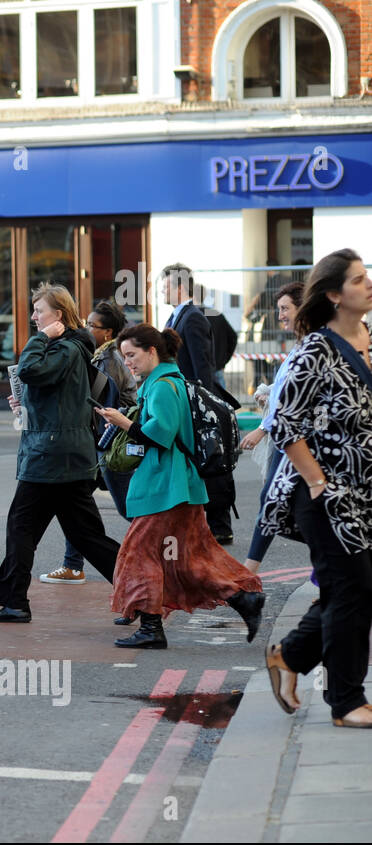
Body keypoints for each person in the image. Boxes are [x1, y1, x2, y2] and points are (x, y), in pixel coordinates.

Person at [258, 249, 372, 727]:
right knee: (355, 588)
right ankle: (346, 702)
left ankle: (290, 655)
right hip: (324, 494)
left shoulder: (370, 338)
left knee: (353, 589)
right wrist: (318, 481)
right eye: (359, 279)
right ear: (333, 294)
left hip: (365, 493)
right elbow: (284, 423)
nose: (369, 284)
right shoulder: (316, 351)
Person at [97, 324, 264, 649]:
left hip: (166, 487)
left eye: (132, 355)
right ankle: (244, 600)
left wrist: (124, 423)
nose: (128, 362)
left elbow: (162, 432)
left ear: (151, 351)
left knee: (140, 554)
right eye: (124, 356)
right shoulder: (163, 383)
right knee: (186, 558)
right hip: (179, 487)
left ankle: (151, 628)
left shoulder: (161, 387)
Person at [0, 283, 121, 623]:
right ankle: (144, 592)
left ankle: (15, 601)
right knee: (84, 535)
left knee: (24, 527)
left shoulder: (65, 347)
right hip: (58, 453)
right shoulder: (67, 347)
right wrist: (25, 404)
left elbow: (30, 370)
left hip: (52, 456)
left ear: (57, 315)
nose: (33, 316)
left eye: (39, 310)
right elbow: (55, 394)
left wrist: (42, 338)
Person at [41, 299, 136, 588]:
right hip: (96, 443)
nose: (85, 328)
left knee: (129, 508)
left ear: (107, 333)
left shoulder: (107, 360)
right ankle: (73, 566)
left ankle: (160, 553)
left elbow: (104, 400)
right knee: (76, 505)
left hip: (109, 444)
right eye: (85, 323)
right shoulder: (97, 354)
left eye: (91, 325)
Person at [162, 262, 237, 543]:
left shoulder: (192, 317)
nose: (161, 291)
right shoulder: (177, 317)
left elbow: (202, 365)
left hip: (193, 401)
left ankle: (219, 525)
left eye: (166, 285)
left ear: (180, 287)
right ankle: (202, 522)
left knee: (208, 458)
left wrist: (202, 404)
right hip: (182, 400)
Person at [239, 282, 303, 574]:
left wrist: (262, 429)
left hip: (295, 439)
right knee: (275, 504)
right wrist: (268, 393)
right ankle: (334, 559)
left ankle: (249, 570)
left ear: (304, 308)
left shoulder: (314, 346)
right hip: (284, 437)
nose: (280, 316)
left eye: (285, 309)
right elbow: (284, 390)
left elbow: (296, 398)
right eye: (279, 310)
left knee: (276, 504)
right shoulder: (299, 346)